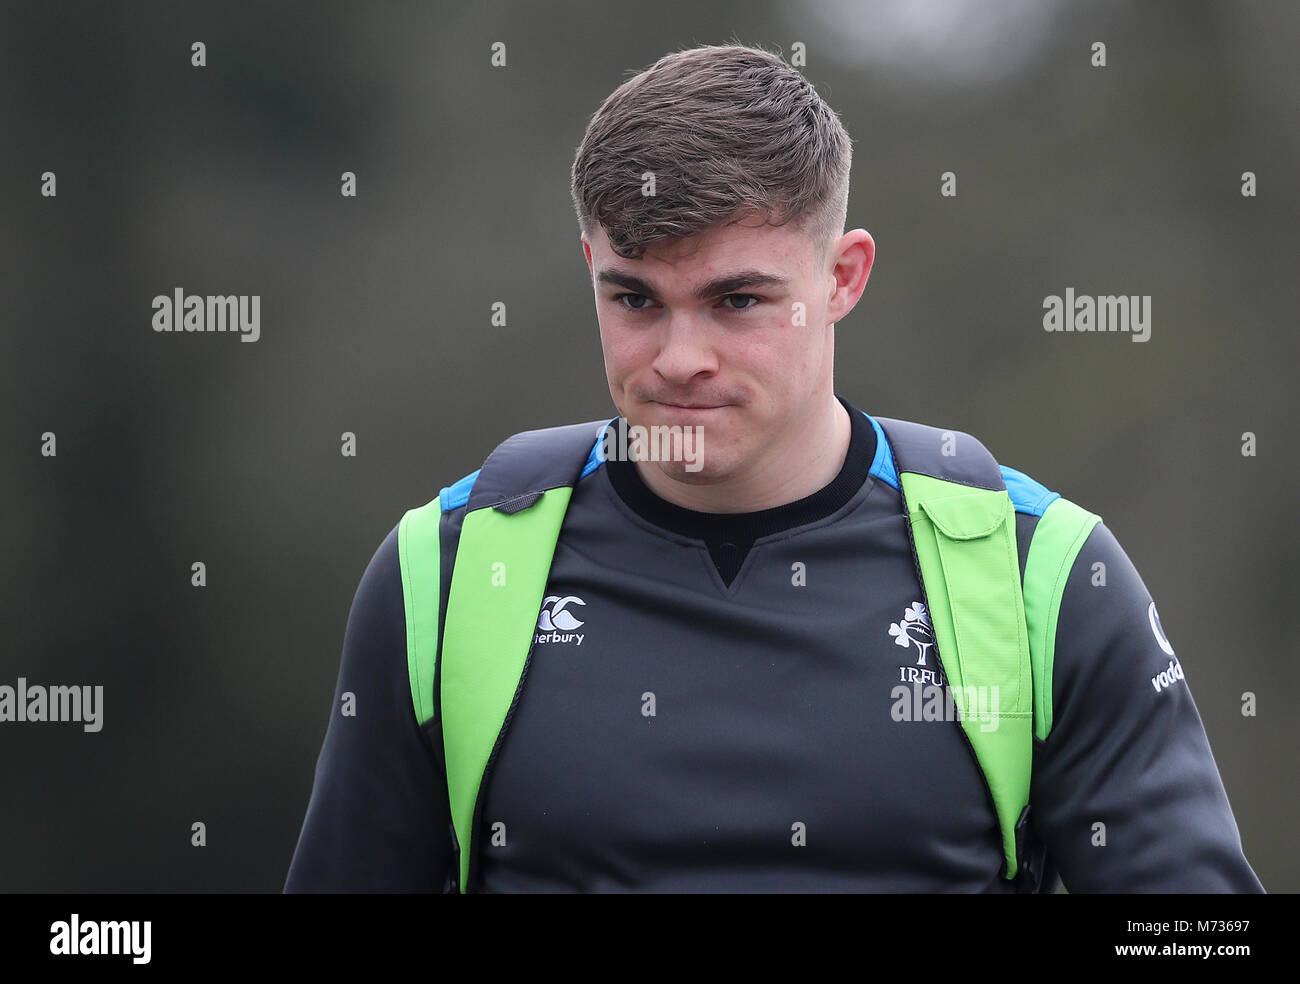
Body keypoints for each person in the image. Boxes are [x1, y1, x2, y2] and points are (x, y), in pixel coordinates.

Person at [284, 43, 1263, 893]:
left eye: (736, 302)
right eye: (633, 300)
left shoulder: (1043, 576)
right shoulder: (446, 574)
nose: (676, 358)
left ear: (841, 278)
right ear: (588, 264)